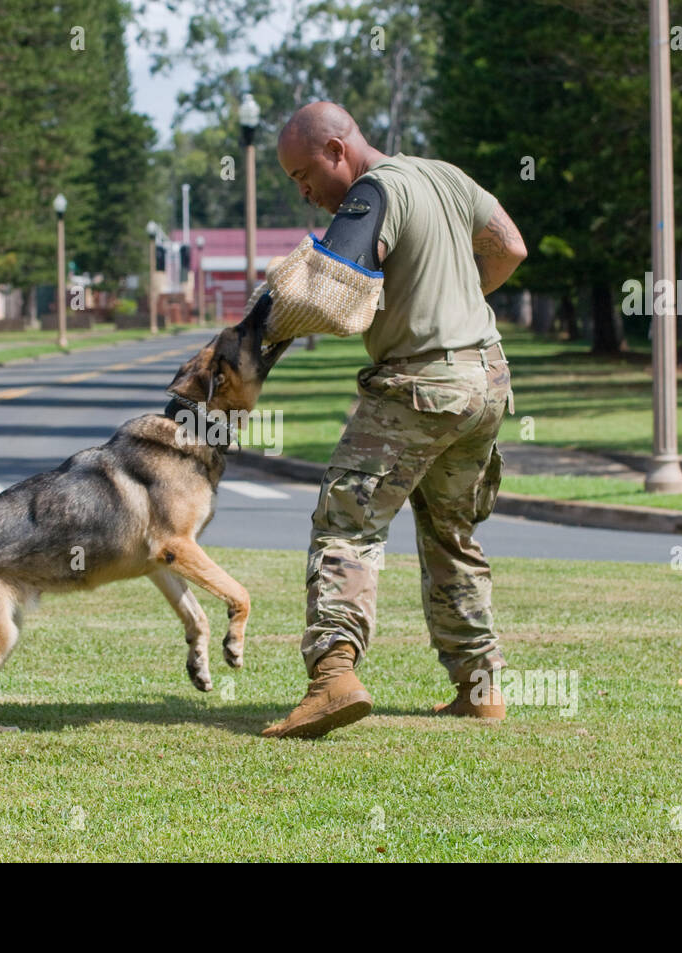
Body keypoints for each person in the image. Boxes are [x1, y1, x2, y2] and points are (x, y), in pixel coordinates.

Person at [262, 102, 528, 739]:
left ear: (336, 149)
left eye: (303, 174)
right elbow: (511, 247)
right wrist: (453, 300)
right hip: (486, 379)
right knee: (451, 531)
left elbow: (328, 287)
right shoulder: (444, 175)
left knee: (345, 521)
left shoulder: (370, 192)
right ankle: (479, 686)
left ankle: (333, 678)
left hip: (420, 385)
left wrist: (262, 328)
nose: (303, 192)